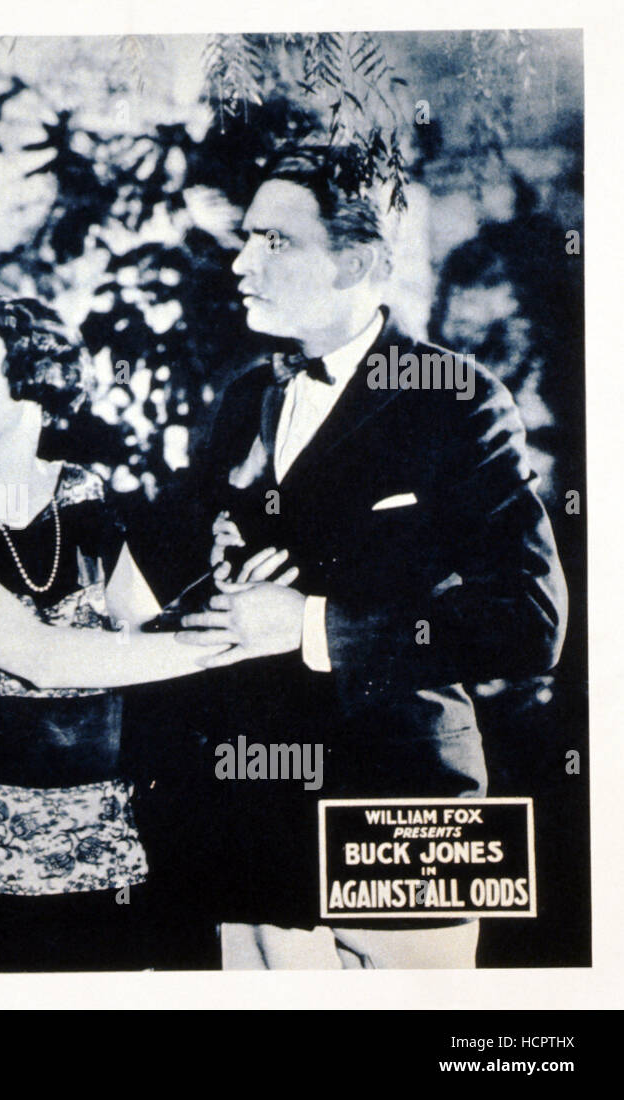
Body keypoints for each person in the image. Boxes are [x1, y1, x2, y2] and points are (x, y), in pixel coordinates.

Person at [148, 146, 568, 969]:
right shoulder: (246, 396)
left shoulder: (456, 396)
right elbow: (196, 561)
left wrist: (309, 625)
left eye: (276, 242)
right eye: (246, 238)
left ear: (361, 262)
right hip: (257, 804)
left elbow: (529, 622)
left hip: (403, 811)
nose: (241, 262)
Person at [0, 293, 283, 972]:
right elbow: (42, 659)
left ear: (34, 378)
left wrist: (222, 587)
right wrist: (229, 640)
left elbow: (145, 628)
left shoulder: (80, 493)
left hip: (91, 822)